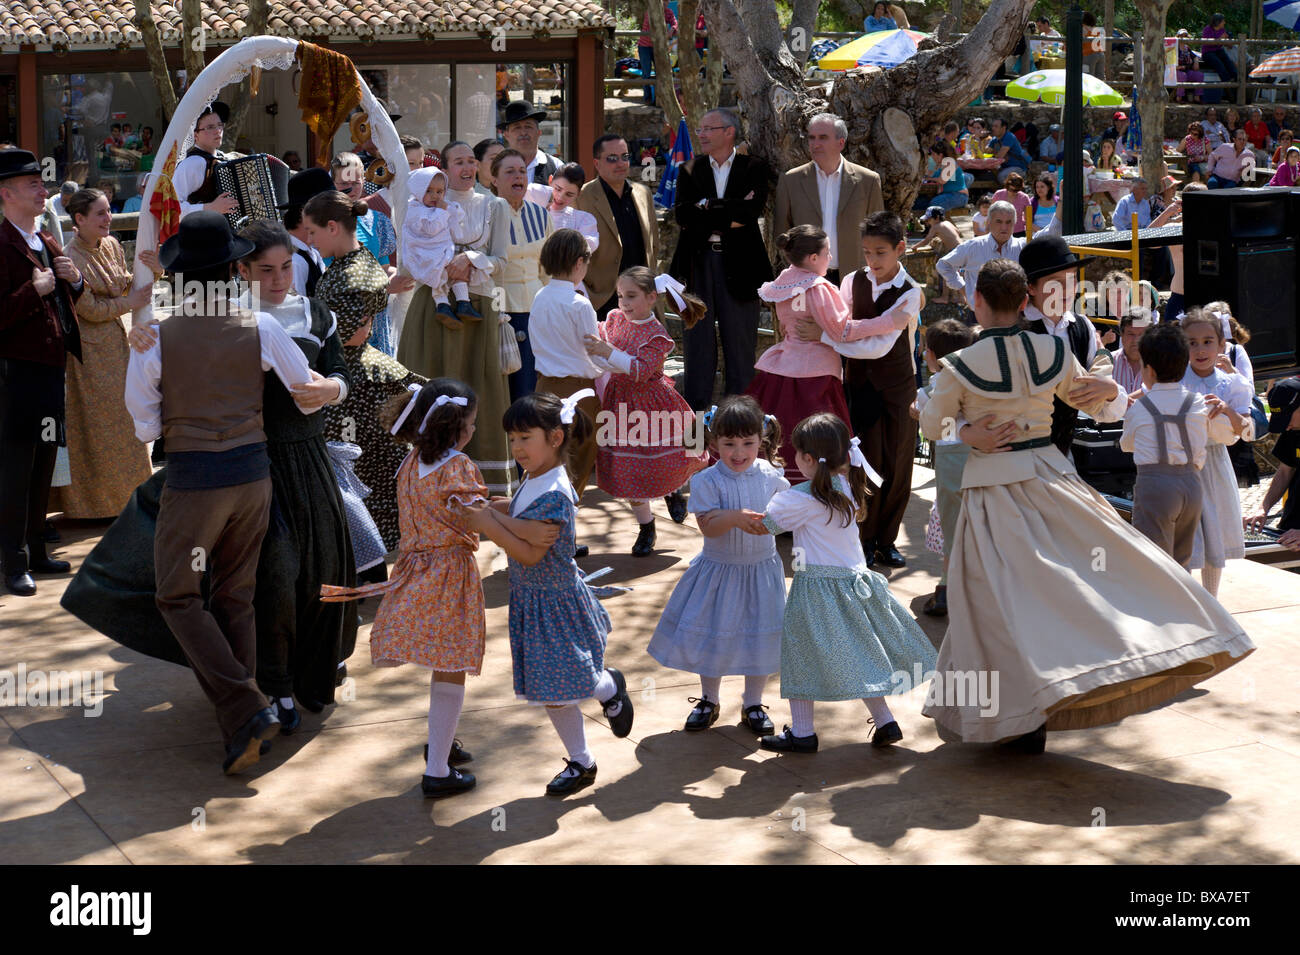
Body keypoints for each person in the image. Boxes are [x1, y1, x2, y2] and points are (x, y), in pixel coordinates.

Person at [920, 259, 1252, 753]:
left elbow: (931, 427)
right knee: (1079, 584)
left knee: (992, 605)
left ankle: (1015, 716)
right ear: (1026, 301)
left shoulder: (958, 366)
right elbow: (1104, 406)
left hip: (992, 490)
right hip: (1053, 479)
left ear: (977, 301)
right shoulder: (1054, 350)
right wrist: (1116, 391)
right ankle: (1148, 648)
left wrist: (968, 432)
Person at [123, 212, 317, 773]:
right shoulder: (260, 325)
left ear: (180, 275)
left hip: (195, 479)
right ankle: (240, 725)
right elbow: (304, 388)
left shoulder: (157, 333)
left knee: (178, 597)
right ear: (234, 269)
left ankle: (245, 706)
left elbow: (143, 422)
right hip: (254, 474)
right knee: (234, 595)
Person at [457, 391, 635, 797]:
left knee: (555, 690)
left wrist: (487, 522)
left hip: (553, 603)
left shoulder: (553, 492)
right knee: (559, 684)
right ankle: (607, 688)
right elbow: (519, 516)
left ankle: (582, 761)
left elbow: (529, 553)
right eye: (513, 439)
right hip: (535, 601)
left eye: (525, 438)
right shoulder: (536, 476)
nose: (517, 448)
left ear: (555, 438)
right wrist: (493, 506)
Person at [322, 379, 491, 798]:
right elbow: (476, 517)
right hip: (449, 574)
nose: (473, 429)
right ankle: (437, 770)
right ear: (456, 427)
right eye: (469, 422)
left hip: (416, 572)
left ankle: (442, 740)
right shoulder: (458, 467)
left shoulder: (411, 462)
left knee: (442, 659)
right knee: (451, 665)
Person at [756, 412, 937, 752]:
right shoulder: (848, 486)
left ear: (808, 459)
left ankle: (803, 732)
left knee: (799, 654)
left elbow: (767, 524)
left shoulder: (802, 497)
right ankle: (886, 721)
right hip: (855, 583)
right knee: (862, 652)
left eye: (798, 453)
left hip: (817, 589)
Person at [648, 395, 785, 733]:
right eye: (729, 443)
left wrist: (774, 521)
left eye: (748, 443)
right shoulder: (706, 480)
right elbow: (708, 527)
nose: (739, 452)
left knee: (759, 638)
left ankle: (752, 703)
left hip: (761, 571)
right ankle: (709, 699)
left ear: (761, 440)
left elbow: (783, 515)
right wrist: (735, 518)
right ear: (713, 442)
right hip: (719, 571)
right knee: (714, 635)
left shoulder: (771, 475)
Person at [310, 190, 427, 558]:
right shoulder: (357, 260)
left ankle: (367, 559)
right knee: (370, 473)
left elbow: (348, 334)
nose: (310, 240)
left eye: (313, 232)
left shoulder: (353, 274)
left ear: (332, 227)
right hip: (360, 375)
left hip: (356, 383)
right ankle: (372, 557)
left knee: (356, 475)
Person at [398, 140, 514, 497]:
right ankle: (424, 479)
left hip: (477, 305)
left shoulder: (494, 206)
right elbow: (410, 254)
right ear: (443, 170)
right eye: (458, 161)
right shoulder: (418, 206)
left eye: (471, 161)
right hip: (432, 304)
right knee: (432, 380)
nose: (466, 167)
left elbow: (502, 261)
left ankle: (481, 482)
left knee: (478, 388)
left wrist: (472, 261)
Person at [748, 225, 896, 484]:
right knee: (822, 440)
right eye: (827, 252)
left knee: (777, 433)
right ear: (813, 258)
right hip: (815, 375)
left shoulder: (785, 280)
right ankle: (822, 492)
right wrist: (888, 321)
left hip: (782, 366)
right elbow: (843, 331)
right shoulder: (818, 287)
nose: (830, 257)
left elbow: (789, 322)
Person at [0, 149, 84, 597]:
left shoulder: (43, 240)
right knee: (15, 466)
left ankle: (34, 548)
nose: (42, 188)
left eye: (40, 181)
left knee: (44, 461)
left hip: (51, 368)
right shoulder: (2, 242)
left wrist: (75, 281)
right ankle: (12, 560)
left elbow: (68, 293)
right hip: (17, 374)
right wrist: (31, 292)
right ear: (6, 193)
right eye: (31, 183)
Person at [584, 266, 709, 554]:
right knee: (628, 467)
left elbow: (640, 370)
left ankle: (674, 490)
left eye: (631, 296)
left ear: (652, 297)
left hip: (654, 402)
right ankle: (646, 527)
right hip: (620, 403)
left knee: (680, 450)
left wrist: (607, 352)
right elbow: (600, 343)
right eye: (619, 296)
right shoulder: (615, 319)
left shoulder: (657, 335)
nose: (623, 303)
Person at [55, 188, 153, 520]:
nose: (108, 218)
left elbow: (123, 283)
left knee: (126, 422)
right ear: (78, 220)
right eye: (100, 213)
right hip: (88, 353)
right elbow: (90, 309)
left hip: (115, 344)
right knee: (98, 426)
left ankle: (128, 496)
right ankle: (94, 506)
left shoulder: (110, 245)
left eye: (109, 211)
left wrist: (154, 270)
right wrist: (131, 302)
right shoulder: (70, 258)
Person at [834, 212, 923, 568]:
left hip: (899, 386)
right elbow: (842, 327)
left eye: (881, 252)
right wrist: (842, 334)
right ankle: (864, 538)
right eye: (867, 252)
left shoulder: (911, 292)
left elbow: (877, 345)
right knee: (864, 462)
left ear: (900, 248)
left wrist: (837, 336)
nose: (872, 261)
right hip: (858, 386)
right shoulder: (851, 281)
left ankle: (887, 540)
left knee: (899, 463)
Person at [671, 109, 773, 409]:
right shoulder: (689, 169)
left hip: (742, 267)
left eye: (707, 129)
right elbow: (684, 216)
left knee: (741, 349)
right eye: (699, 129)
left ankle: (740, 423)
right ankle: (697, 424)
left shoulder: (753, 168)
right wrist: (727, 212)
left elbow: (750, 213)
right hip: (697, 266)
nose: (700, 134)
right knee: (697, 349)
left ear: (729, 132)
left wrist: (707, 208)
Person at [1121, 322, 1235, 570]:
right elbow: (1219, 434)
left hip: (1155, 485)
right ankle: (1185, 605)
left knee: (1154, 562)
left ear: (1148, 370)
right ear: (1184, 365)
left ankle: (1160, 607)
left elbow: (1127, 445)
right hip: (1192, 484)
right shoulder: (1197, 403)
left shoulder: (1140, 408)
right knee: (1182, 560)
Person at [1018, 235, 1119, 455]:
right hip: (1013, 462)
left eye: (1072, 279)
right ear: (1031, 287)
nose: (1067, 289)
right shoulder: (1013, 329)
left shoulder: (1083, 327)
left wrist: (1111, 392)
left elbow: (1105, 411)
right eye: (1056, 282)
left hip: (1061, 457)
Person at [1177, 309, 1253, 597]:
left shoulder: (1233, 384)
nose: (1200, 349)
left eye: (1208, 341)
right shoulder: (1172, 380)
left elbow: (1245, 430)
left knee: (1213, 537)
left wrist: (1227, 410)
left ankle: (1212, 601)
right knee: (1183, 536)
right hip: (1179, 463)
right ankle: (1183, 602)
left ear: (1222, 345)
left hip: (1214, 463)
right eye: (1192, 342)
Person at [525, 229, 603, 502]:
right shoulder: (579, 304)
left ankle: (535, 522)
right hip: (578, 392)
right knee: (576, 465)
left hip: (544, 387)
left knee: (543, 461)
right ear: (579, 263)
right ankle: (561, 529)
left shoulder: (540, 296)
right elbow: (596, 355)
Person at [773, 112, 884, 285]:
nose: (815, 144)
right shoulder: (790, 180)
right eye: (811, 138)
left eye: (823, 138)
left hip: (855, 278)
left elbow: (878, 232)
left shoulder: (868, 180)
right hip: (806, 279)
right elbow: (781, 233)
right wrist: (798, 266)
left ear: (841, 142)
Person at [913, 319, 975, 617]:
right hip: (978, 455)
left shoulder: (937, 385)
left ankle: (947, 589)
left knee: (952, 524)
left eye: (926, 351)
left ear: (933, 355)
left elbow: (919, 407)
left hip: (950, 458)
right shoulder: (977, 380)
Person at [330, 152, 411, 357]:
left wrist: (403, 274)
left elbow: (384, 267)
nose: (351, 189)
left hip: (378, 315)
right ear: (333, 183)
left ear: (364, 180)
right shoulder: (326, 223)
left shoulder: (376, 220)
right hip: (346, 315)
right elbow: (331, 277)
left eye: (356, 182)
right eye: (343, 183)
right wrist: (383, 288)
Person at [493, 148, 554, 402]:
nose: (517, 177)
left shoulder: (541, 214)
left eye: (521, 171)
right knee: (512, 389)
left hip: (538, 311)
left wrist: (553, 310)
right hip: (503, 312)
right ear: (494, 180)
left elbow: (549, 268)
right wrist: (496, 313)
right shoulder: (486, 214)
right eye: (509, 172)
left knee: (536, 386)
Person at [577, 135, 658, 322]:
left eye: (625, 156)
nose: (620, 163)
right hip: (601, 299)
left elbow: (653, 245)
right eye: (612, 158)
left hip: (641, 299)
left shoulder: (643, 193)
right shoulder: (582, 197)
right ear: (597, 164)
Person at [400, 165, 474, 323]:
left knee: (455, 268)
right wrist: (443, 211)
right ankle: (442, 304)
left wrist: (447, 208)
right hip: (422, 252)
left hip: (440, 248)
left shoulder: (439, 205)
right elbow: (431, 229)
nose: (435, 196)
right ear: (419, 190)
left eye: (440, 192)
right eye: (429, 191)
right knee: (438, 269)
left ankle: (463, 303)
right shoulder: (415, 209)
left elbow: (457, 215)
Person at [935, 200, 1024, 322]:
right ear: (989, 222)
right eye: (999, 221)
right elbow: (943, 264)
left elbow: (1052, 232)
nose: (1004, 227)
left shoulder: (1023, 247)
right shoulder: (973, 247)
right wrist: (962, 288)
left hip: (1014, 317)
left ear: (1015, 223)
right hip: (979, 318)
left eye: (1008, 222)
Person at [1243, 378, 1300, 538]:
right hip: (1291, 527)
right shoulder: (1292, 431)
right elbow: (1284, 472)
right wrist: (1263, 507)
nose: (1286, 427)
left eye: (1287, 418)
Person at [171, 102, 239, 221]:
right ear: (195, 134)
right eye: (210, 127)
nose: (218, 131)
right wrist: (211, 207)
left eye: (219, 125)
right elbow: (172, 208)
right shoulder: (192, 163)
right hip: (201, 235)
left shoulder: (224, 158)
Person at [279, 167, 333, 298]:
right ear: (305, 211)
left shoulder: (312, 253)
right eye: (329, 207)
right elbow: (297, 315)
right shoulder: (294, 261)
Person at [497, 100, 563, 186]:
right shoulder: (497, 166)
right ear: (506, 135)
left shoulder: (557, 167)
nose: (523, 132)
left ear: (539, 132)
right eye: (517, 128)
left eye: (528, 126)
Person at [637, 4, 678, 104]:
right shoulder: (650, 11)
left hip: (658, 46)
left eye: (666, 0)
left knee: (660, 72)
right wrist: (666, 33)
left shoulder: (668, 12)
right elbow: (653, 26)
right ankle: (647, 97)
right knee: (646, 72)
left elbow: (675, 23)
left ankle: (659, 98)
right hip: (645, 46)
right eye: (663, 0)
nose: (665, 2)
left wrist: (672, 30)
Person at [923, 141, 970, 214]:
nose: (931, 156)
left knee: (935, 203)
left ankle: (939, 224)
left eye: (933, 154)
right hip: (949, 194)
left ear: (940, 155)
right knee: (921, 202)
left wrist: (928, 178)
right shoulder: (940, 164)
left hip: (958, 196)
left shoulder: (949, 163)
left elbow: (942, 180)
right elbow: (930, 173)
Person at [1111, 308, 1149, 396]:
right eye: (1131, 334)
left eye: (1141, 334)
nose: (1136, 340)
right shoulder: (1108, 362)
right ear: (1122, 335)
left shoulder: (1161, 365)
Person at [989, 117, 1030, 185]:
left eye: (996, 126)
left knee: (1002, 176)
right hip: (1003, 167)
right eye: (992, 126)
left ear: (1003, 128)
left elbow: (999, 156)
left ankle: (1011, 193)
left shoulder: (1009, 137)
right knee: (987, 175)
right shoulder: (994, 139)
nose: (993, 128)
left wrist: (994, 154)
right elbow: (985, 152)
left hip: (1018, 168)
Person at [1201, 14, 1237, 84]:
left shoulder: (1222, 30)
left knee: (1228, 61)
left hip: (1218, 50)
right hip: (1208, 52)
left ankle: (1235, 77)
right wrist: (1220, 39)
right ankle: (1227, 81)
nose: (1224, 23)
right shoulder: (1207, 29)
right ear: (1218, 22)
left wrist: (1227, 40)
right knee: (1218, 63)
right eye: (1223, 21)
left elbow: (1227, 44)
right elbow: (1207, 43)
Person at [990, 171, 1030, 236]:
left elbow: (1028, 218)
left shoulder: (1025, 197)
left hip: (1019, 231)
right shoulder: (998, 194)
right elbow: (991, 214)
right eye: (1011, 189)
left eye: (1016, 190)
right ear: (1007, 185)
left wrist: (1029, 236)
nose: (1013, 192)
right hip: (999, 231)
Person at [1173, 30, 1203, 103]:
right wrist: (1180, 67)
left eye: (1185, 36)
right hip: (1175, 71)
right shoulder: (1173, 48)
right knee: (1182, 76)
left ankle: (1197, 97)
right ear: (1178, 37)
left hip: (1187, 71)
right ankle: (1179, 98)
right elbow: (1170, 64)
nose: (1183, 37)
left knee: (1199, 75)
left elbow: (1194, 57)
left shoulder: (1187, 48)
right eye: (1181, 36)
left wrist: (1195, 61)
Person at [1081, 12, 1105, 77]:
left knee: (1088, 77)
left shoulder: (1083, 29)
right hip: (1101, 55)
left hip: (1088, 55)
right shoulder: (1099, 30)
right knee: (1100, 78)